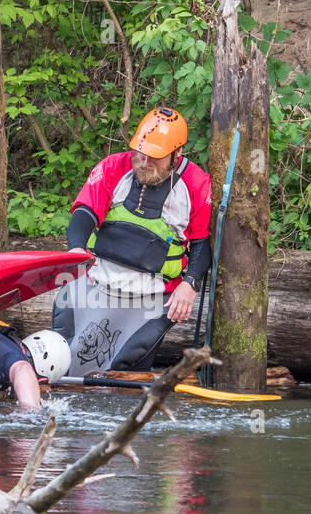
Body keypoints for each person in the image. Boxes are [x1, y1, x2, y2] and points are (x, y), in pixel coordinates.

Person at [53, 106, 212, 375]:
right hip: (98, 283)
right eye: (141, 152)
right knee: (65, 352)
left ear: (177, 154)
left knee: (121, 367)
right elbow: (84, 214)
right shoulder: (114, 167)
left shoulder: (196, 184)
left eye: (155, 157)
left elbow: (201, 245)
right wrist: (77, 250)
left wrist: (190, 284)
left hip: (152, 297)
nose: (144, 162)